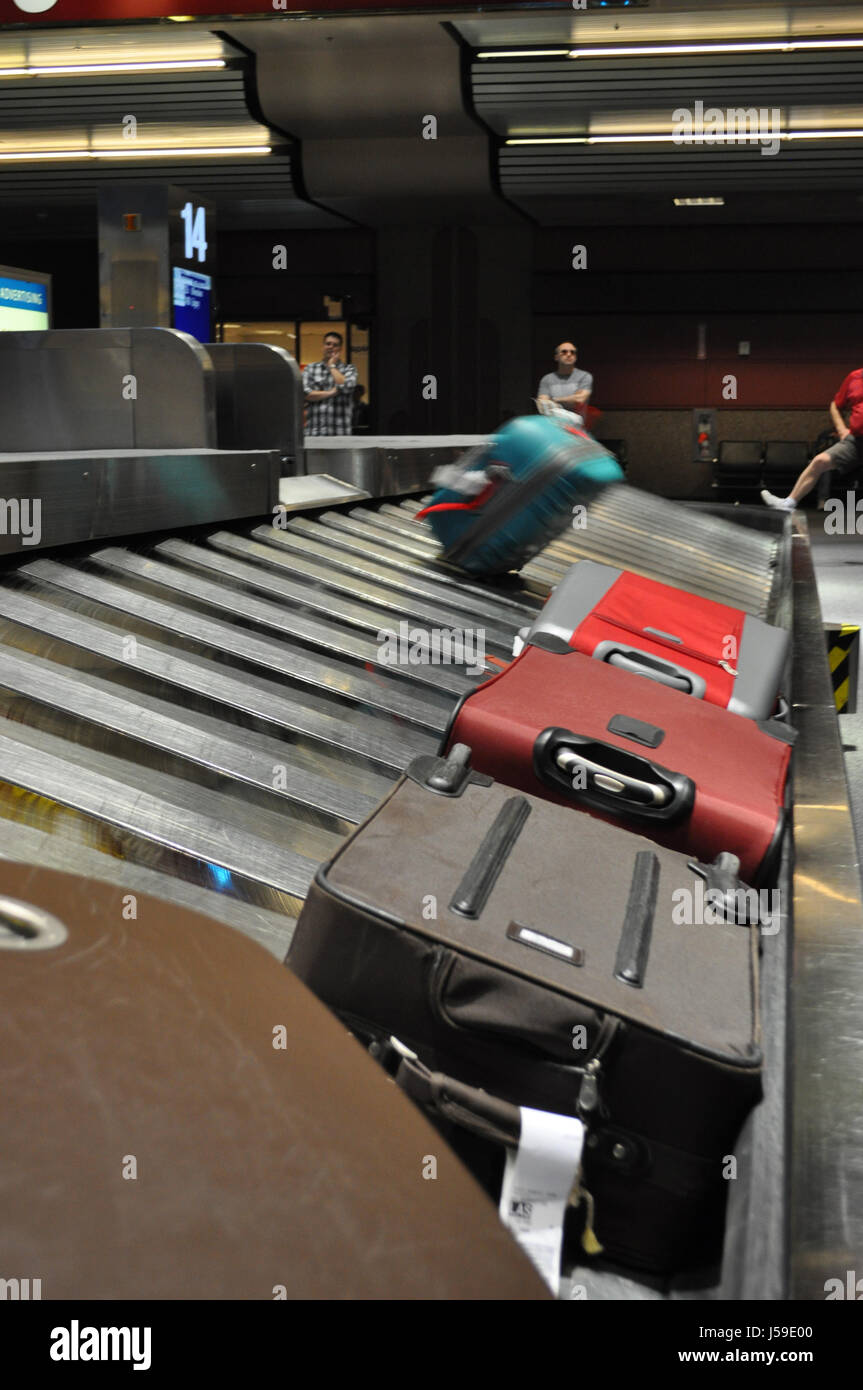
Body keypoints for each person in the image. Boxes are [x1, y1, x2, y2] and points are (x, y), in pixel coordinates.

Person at [762, 367, 863, 511]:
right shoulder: (854, 377)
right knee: (820, 461)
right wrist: (841, 429)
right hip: (855, 441)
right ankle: (789, 503)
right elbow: (835, 405)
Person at [302, 331, 358, 436]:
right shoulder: (310, 369)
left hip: (340, 432)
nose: (331, 347)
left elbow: (346, 387)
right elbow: (306, 394)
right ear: (323, 347)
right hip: (314, 431)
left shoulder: (349, 369)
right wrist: (333, 392)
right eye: (328, 344)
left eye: (335, 345)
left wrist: (332, 366)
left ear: (340, 349)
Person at [537, 342, 593, 421]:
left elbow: (579, 400)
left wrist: (554, 400)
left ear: (576, 357)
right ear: (556, 357)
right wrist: (571, 398)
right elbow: (543, 404)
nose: (569, 354)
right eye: (564, 352)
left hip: (576, 427)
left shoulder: (585, 376)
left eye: (572, 352)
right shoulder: (547, 379)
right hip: (553, 424)